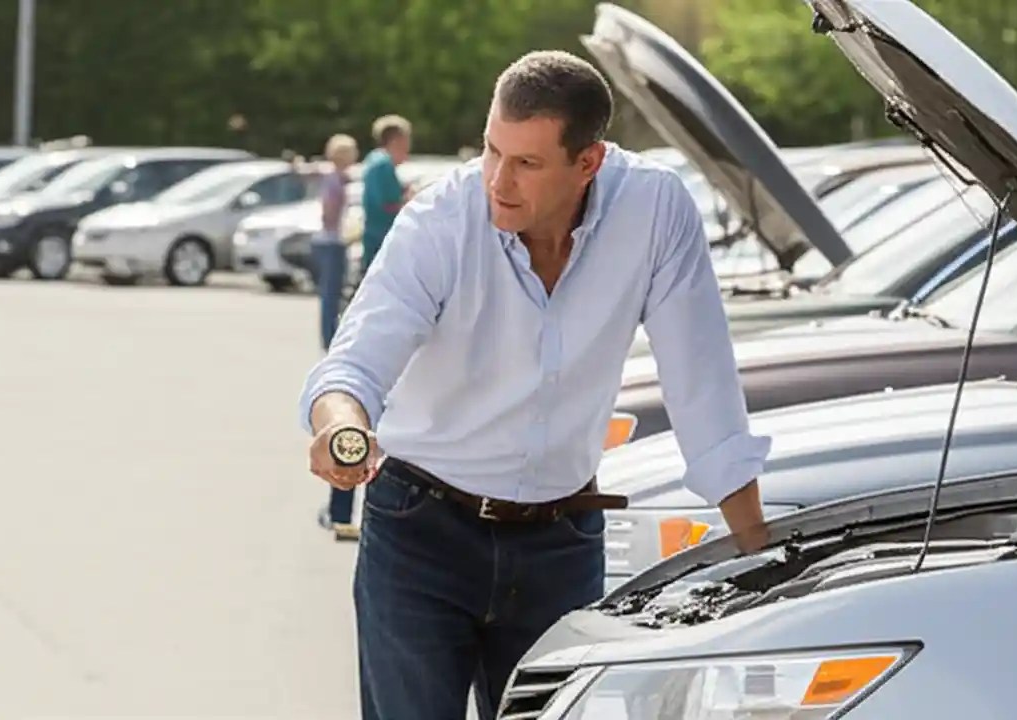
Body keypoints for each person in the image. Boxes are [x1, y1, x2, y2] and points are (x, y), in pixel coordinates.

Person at [298, 50, 772, 720]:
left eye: (526, 162)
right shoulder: (439, 223)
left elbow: (704, 385)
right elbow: (354, 366)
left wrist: (760, 560)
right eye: (492, 150)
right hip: (420, 535)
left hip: (561, 544)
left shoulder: (654, 211)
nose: (499, 180)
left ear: (588, 162)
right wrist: (341, 425)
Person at [312, 133, 361, 541]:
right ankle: (340, 512)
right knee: (330, 298)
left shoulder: (340, 179)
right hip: (331, 240)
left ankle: (339, 511)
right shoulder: (334, 180)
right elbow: (330, 212)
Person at [358, 114, 411, 274]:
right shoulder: (383, 165)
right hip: (382, 237)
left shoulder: (374, 160)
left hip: (375, 235)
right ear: (396, 140)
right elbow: (388, 204)